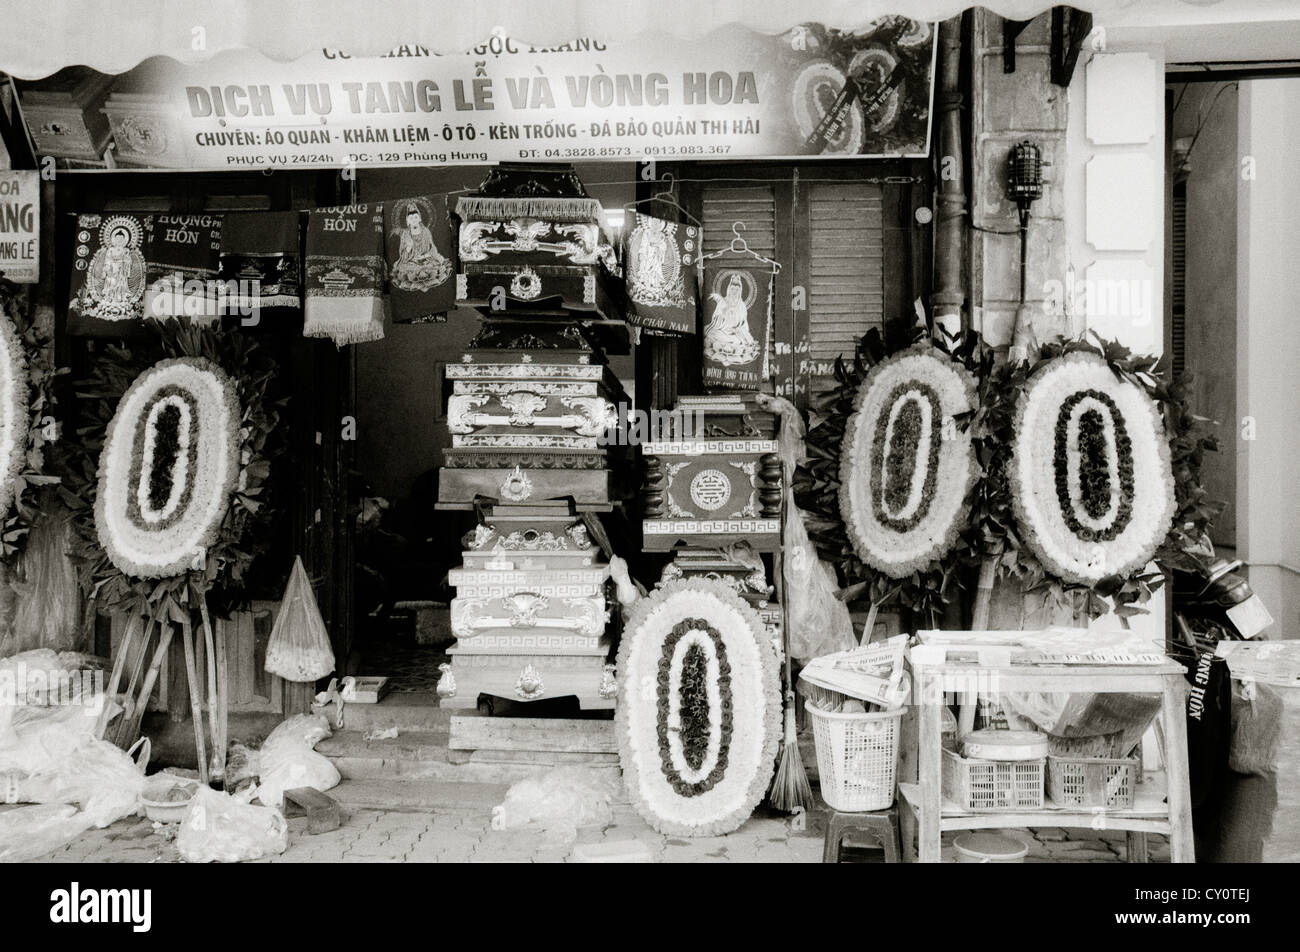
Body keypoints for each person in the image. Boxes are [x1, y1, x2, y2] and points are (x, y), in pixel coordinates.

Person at [390, 202, 451, 292]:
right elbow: (403, 256)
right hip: (411, 262)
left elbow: (432, 249)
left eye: (415, 217)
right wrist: (408, 248)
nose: (413, 220)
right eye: (411, 218)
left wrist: (425, 256)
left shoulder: (425, 231)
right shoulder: (405, 234)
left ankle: (427, 277)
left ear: (419, 219)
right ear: (407, 221)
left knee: (433, 267)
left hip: (426, 260)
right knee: (405, 269)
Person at [704, 272, 760, 365]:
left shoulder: (741, 306)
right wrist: (724, 311)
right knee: (710, 333)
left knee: (738, 340)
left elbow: (744, 325)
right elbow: (715, 319)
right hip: (722, 331)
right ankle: (727, 350)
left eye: (737, 289)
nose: (734, 291)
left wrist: (739, 329)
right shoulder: (723, 302)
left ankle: (728, 350)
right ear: (729, 289)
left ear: (740, 291)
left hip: (735, 333)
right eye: (732, 289)